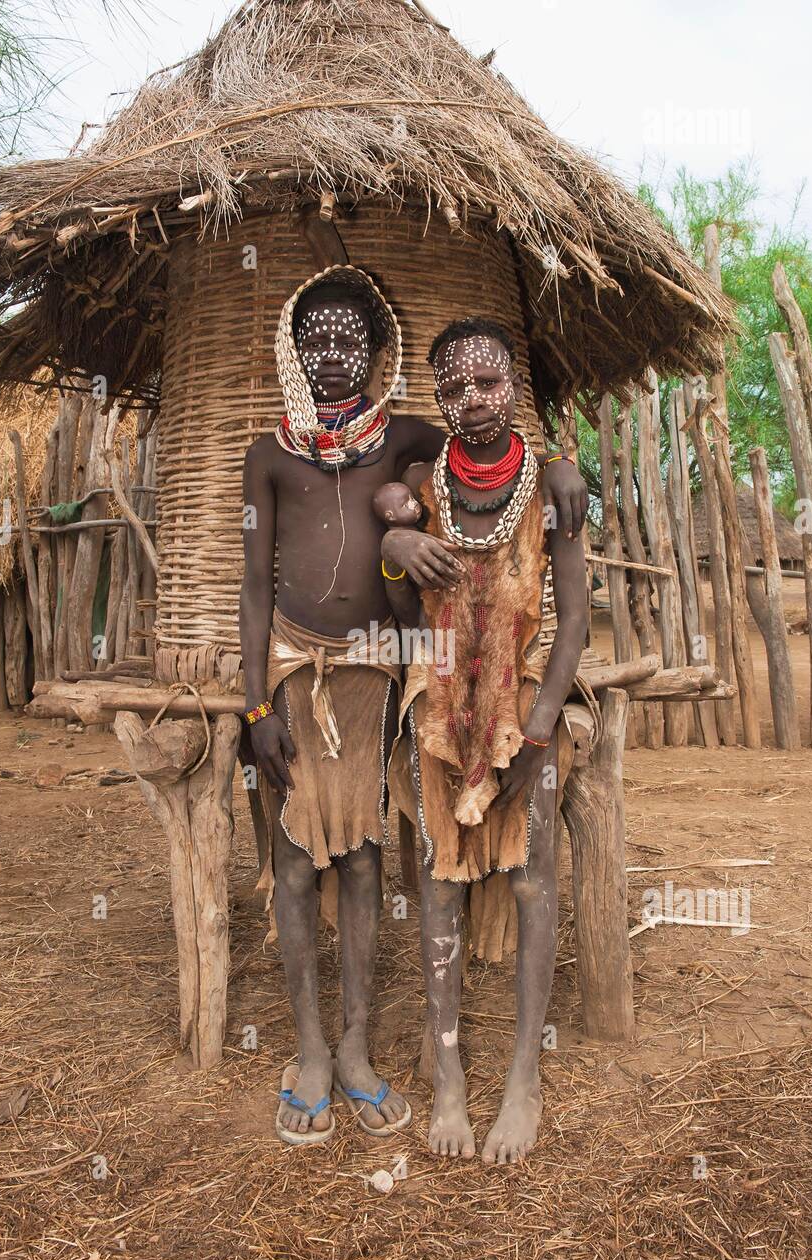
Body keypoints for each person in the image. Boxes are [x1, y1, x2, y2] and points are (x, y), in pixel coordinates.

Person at [240, 267, 588, 1145]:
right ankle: (322, 1053)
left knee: (373, 859)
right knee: (304, 862)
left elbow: (503, 466)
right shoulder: (275, 453)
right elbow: (259, 589)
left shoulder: (414, 441)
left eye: (347, 339)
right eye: (311, 338)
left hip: (412, 676)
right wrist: (252, 707)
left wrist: (570, 462)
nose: (329, 354)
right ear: (293, 348)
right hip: (326, 672)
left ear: (378, 354)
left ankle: (399, 1056)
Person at [381, 317, 591, 1165]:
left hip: (526, 708)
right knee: (439, 886)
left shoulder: (556, 491)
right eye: (456, 387)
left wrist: (537, 735)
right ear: (438, 399)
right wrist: (395, 547)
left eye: (490, 382)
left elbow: (574, 620)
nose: (473, 399)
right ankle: (450, 1082)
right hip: (440, 710)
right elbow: (402, 622)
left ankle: (523, 1082)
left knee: (535, 883)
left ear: (515, 388)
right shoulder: (418, 490)